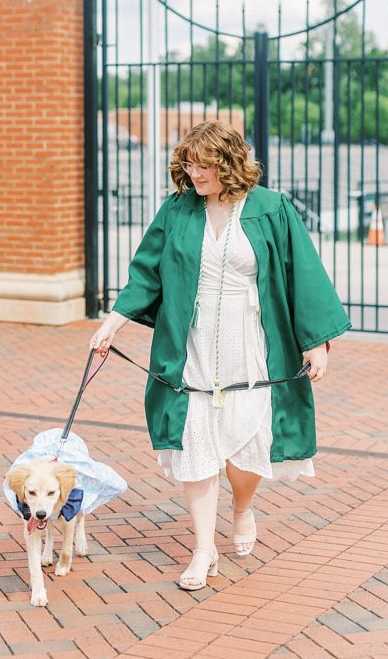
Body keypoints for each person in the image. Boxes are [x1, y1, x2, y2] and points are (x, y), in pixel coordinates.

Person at [89, 120, 351, 591]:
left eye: (204, 165)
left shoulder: (271, 208)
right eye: (189, 164)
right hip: (191, 341)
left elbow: (303, 274)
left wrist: (316, 342)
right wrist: (111, 326)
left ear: (228, 163)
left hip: (250, 340)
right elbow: (146, 274)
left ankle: (243, 505)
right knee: (197, 441)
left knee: (248, 443)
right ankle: (203, 548)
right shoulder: (178, 209)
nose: (194, 174)